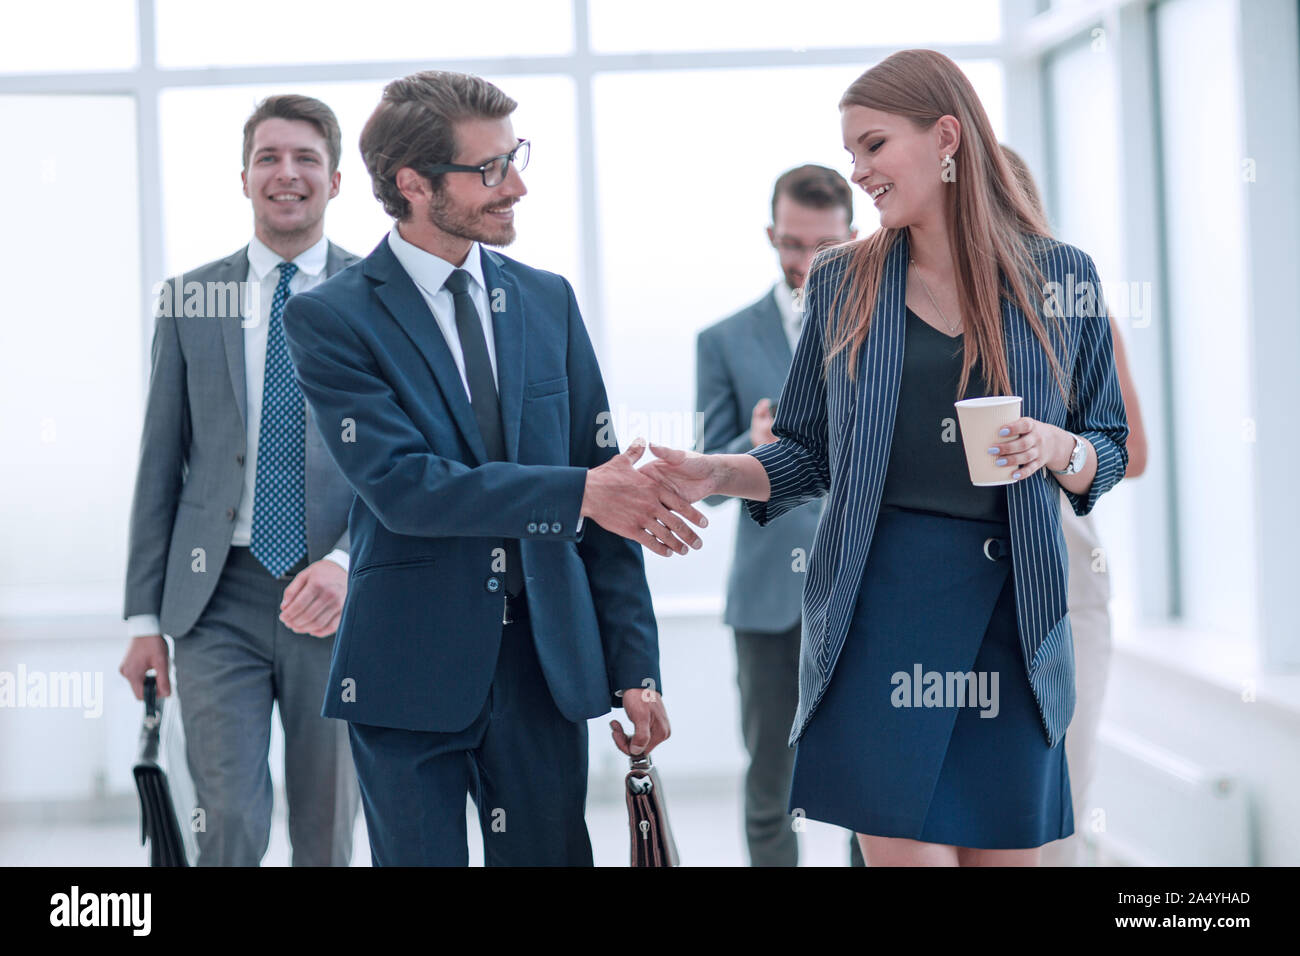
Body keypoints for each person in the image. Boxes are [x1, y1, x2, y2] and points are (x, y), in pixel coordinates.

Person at [644, 49, 1129, 866]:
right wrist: (718, 471)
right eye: (850, 153)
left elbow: (1107, 447)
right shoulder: (842, 281)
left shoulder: (1060, 277)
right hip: (881, 612)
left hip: (1016, 616)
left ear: (946, 136)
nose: (859, 172)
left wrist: (1058, 447)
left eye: (872, 146)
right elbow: (805, 452)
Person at [281, 70, 706, 866]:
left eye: (514, 158)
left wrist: (635, 668)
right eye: (488, 170)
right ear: (412, 184)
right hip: (409, 672)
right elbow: (406, 487)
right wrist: (584, 492)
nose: (515, 185)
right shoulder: (330, 318)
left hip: (545, 669)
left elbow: (603, 493)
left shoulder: (548, 302)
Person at [119, 94, 361, 866]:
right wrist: (141, 621)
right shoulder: (193, 298)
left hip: (334, 593)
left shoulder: (377, 296)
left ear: (335, 179)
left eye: (305, 159)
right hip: (216, 592)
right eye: (269, 157)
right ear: (245, 176)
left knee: (327, 822)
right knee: (225, 816)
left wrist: (349, 563)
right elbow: (161, 464)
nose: (286, 174)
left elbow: (405, 463)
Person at [695, 165, 855, 866]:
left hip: (864, 589)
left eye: (824, 247)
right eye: (791, 245)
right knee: (769, 785)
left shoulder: (890, 328)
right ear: (770, 235)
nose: (805, 263)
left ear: (853, 239)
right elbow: (704, 480)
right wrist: (748, 450)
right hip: (767, 602)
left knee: (871, 782)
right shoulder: (723, 340)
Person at [997, 144, 1150, 866]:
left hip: (1064, 571)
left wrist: (1055, 447)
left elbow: (1131, 453)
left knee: (1059, 799)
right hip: (960, 584)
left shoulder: (1076, 305)